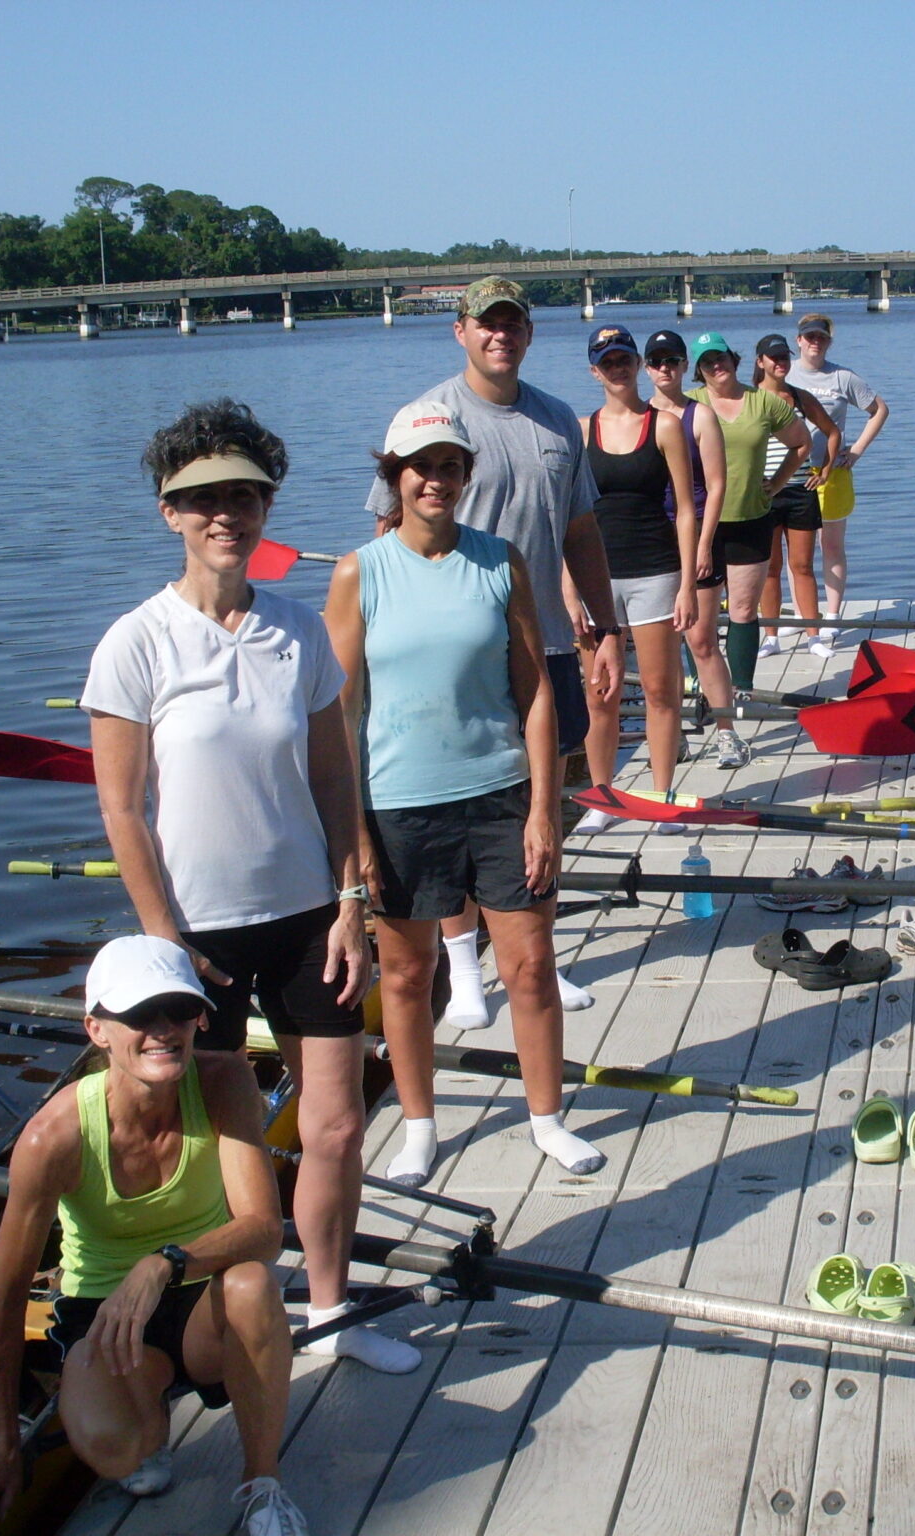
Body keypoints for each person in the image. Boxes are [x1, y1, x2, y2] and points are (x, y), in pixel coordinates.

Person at [81, 401, 411, 1379]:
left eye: (243, 496)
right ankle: (208, 1322)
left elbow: (333, 775)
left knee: (337, 1125)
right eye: (201, 500)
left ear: (266, 506)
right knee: (202, 1146)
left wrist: (353, 898)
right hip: (193, 936)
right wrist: (163, 947)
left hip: (309, 914)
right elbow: (124, 813)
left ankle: (328, 1307)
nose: (224, 514)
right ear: (169, 514)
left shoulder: (298, 631)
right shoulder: (134, 645)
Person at [326, 399, 604, 1187]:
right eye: (420, 469)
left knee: (529, 965)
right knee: (410, 977)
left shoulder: (502, 560)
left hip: (500, 795)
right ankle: (419, 1128)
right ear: (394, 479)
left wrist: (546, 808)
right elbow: (340, 717)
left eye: (450, 467)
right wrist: (356, 843)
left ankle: (547, 1121)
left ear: (464, 475)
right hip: (399, 804)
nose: (436, 482)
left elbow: (536, 693)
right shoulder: (359, 573)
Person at [0, 935, 308, 1536]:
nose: (163, 1029)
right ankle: (146, 1406)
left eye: (179, 1010)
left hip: (200, 1295)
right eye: (140, 1015)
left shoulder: (226, 1082)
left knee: (251, 1283)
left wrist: (164, 1262)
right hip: (104, 1312)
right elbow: (8, 1293)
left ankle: (263, 1485)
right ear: (96, 1030)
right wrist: (0, 1441)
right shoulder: (53, 1140)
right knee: (122, 1453)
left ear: (201, 1017)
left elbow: (261, 1231)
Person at [361, 277, 616, 1029]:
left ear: (529, 334)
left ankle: (539, 950)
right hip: (453, 660)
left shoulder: (559, 422)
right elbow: (385, 540)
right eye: (486, 324)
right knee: (458, 811)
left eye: (514, 324)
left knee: (549, 800)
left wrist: (606, 629)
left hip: (543, 649)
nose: (500, 336)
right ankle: (463, 964)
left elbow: (580, 536)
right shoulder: (424, 417)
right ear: (462, 333)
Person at [571, 323, 701, 826]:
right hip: (596, 575)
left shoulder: (664, 425)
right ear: (594, 371)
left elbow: (685, 510)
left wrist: (688, 581)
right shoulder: (581, 431)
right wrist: (568, 587)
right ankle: (602, 799)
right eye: (607, 362)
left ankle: (661, 792)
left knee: (659, 689)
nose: (618, 368)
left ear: (635, 363)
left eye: (624, 358)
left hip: (655, 571)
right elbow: (568, 516)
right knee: (599, 693)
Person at [687, 330, 810, 702]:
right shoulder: (686, 404)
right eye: (708, 361)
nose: (717, 365)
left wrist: (775, 485)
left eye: (721, 357)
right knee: (698, 618)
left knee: (742, 608)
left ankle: (740, 687)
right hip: (698, 524)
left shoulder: (764, 402)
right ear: (698, 370)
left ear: (735, 360)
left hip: (751, 519)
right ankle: (701, 687)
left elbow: (802, 444)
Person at [642, 327, 741, 762]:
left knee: (701, 640)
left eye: (672, 361)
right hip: (653, 537)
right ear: (647, 369)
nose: (665, 369)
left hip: (698, 529)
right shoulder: (638, 417)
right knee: (659, 644)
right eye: (657, 362)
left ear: (685, 367)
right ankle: (672, 731)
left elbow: (717, 487)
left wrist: (703, 546)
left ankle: (725, 730)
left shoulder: (699, 416)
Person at [789, 312, 889, 641]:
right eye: (809, 337)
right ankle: (804, 614)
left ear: (829, 342)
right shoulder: (784, 375)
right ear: (799, 341)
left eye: (821, 337)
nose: (815, 342)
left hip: (832, 471)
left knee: (830, 544)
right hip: (794, 473)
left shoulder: (843, 378)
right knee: (797, 552)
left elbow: (879, 410)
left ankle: (832, 615)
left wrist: (857, 450)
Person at [749, 332, 840, 660]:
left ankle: (813, 635)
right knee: (769, 568)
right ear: (760, 363)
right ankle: (770, 636)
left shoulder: (801, 398)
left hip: (800, 490)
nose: (780, 363)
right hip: (763, 494)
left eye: (784, 357)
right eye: (773, 358)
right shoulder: (749, 398)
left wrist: (825, 470)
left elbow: (832, 432)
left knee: (802, 566)